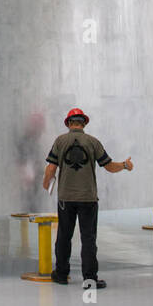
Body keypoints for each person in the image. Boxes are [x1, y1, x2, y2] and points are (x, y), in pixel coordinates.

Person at [41, 107, 133, 289]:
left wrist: (47, 184)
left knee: (63, 236)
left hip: (65, 198)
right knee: (88, 238)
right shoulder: (93, 142)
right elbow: (109, 166)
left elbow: (51, 168)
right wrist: (125, 165)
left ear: (68, 123)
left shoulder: (60, 141)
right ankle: (90, 278)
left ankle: (60, 274)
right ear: (84, 123)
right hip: (88, 199)